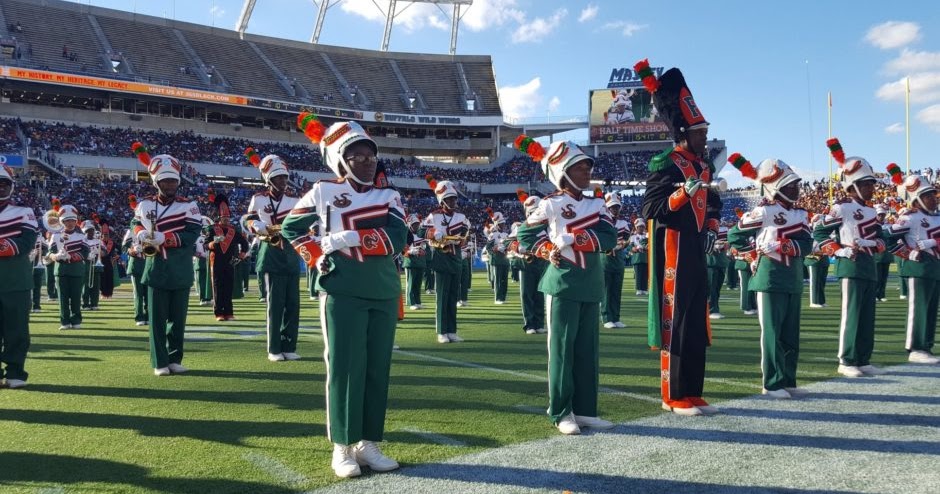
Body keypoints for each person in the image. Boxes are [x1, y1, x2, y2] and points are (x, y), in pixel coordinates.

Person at [281, 117, 407, 478]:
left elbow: (399, 237)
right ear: (340, 160)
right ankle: (342, 445)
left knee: (376, 369)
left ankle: (368, 443)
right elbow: (291, 228)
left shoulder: (389, 195)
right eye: (358, 157)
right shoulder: (322, 191)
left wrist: (351, 238)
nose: (367, 162)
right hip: (341, 290)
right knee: (344, 368)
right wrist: (316, 254)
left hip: (383, 291)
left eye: (371, 156)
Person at [637, 59, 722, 416]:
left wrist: (712, 229)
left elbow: (714, 203)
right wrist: (681, 194)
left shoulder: (704, 166)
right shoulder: (666, 163)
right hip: (672, 249)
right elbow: (650, 208)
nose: (705, 138)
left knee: (697, 321)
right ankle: (672, 394)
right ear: (684, 133)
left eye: (705, 131)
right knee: (676, 321)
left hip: (697, 247)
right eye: (700, 132)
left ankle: (693, 390)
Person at [516, 137, 617, 435]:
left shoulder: (597, 203)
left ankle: (585, 410)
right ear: (563, 172)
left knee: (587, 352)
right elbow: (524, 235)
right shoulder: (550, 204)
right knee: (561, 350)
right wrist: (548, 249)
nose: (587, 171)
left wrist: (575, 238)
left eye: (587, 166)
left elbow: (610, 237)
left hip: (591, 285)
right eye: (579, 166)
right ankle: (560, 411)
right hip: (562, 284)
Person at [727, 157, 813, 399]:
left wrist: (783, 245)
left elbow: (807, 245)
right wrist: (753, 253)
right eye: (789, 185)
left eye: (796, 184)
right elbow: (734, 236)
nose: (795, 189)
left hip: (793, 278)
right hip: (769, 278)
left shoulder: (801, 214)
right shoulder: (763, 211)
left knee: (791, 334)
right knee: (772, 333)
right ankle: (772, 383)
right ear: (776, 188)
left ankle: (789, 380)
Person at [813, 138, 886, 378]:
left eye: (871, 183)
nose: (871, 188)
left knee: (867, 316)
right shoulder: (841, 208)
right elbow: (820, 232)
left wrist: (873, 243)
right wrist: (839, 250)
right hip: (850, 265)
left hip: (868, 265)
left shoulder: (872, 210)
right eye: (866, 183)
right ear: (853, 185)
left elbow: (882, 240)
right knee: (852, 314)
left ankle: (863, 358)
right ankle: (846, 359)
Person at [130, 145, 202, 376]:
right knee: (157, 320)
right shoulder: (144, 204)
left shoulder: (189, 205)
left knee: (178, 320)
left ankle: (174, 358)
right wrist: (140, 232)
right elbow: (135, 223)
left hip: (180, 268)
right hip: (156, 269)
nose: (170, 185)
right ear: (156, 182)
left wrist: (166, 238)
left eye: (173, 181)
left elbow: (192, 233)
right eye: (165, 181)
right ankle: (159, 362)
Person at [244, 154, 302, 362]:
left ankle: (289, 346)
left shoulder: (295, 200)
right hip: (270, 255)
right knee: (275, 306)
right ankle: (274, 349)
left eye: (284, 177)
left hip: (291, 255)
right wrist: (256, 225)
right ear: (269, 179)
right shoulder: (259, 198)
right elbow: (247, 219)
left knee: (293, 305)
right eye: (278, 177)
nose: (283, 181)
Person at [885, 172, 940, 364]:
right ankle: (915, 348)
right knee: (919, 309)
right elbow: (888, 238)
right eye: (927, 195)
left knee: (931, 309)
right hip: (918, 269)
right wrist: (908, 253)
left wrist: (932, 242)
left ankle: (926, 346)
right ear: (916, 200)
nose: (933, 198)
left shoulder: (938, 216)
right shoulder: (910, 218)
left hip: (935, 268)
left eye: (933, 194)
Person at [0, 165, 39, 388]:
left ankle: (15, 372)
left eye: (4, 183)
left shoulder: (23, 212)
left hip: (16, 281)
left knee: (17, 331)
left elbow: (26, 243)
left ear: (12, 187)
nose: (0, 187)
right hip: (14, 279)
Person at [420, 175, 471, 343]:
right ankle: (442, 331)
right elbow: (420, 231)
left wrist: (463, 238)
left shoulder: (461, 217)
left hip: (456, 257)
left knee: (453, 296)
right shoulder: (433, 216)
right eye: (449, 199)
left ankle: (451, 331)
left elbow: (465, 233)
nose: (453, 201)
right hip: (441, 258)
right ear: (442, 201)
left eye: (454, 198)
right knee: (442, 296)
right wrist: (434, 233)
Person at [205, 192, 248, 321]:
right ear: (219, 217)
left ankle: (229, 312)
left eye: (228, 218)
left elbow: (244, 243)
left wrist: (241, 255)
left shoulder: (233, 230)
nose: (226, 220)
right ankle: (219, 313)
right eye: (224, 217)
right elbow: (205, 245)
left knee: (229, 287)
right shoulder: (212, 229)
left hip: (230, 262)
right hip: (216, 261)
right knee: (217, 287)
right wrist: (213, 243)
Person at [511, 192, 547, 335]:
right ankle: (530, 324)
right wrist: (518, 247)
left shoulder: (547, 228)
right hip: (526, 264)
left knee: (540, 294)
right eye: (533, 212)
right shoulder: (521, 227)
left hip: (542, 263)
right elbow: (507, 242)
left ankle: (539, 323)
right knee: (527, 295)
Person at [51, 205, 87, 330]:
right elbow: (49, 253)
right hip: (61, 270)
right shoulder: (55, 236)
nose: (70, 223)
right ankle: (64, 321)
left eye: (72, 220)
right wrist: (56, 256)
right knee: (63, 298)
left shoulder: (81, 236)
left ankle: (76, 320)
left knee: (76, 297)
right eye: (67, 221)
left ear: (76, 221)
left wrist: (71, 257)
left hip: (76, 270)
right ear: (62, 222)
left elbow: (85, 253)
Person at [601, 192, 629, 329]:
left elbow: (626, 239)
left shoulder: (623, 223)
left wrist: (621, 245)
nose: (615, 209)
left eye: (617, 207)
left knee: (617, 290)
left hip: (618, 259)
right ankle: (606, 317)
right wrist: (607, 246)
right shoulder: (602, 222)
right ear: (607, 208)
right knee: (607, 289)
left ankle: (616, 317)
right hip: (605, 259)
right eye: (612, 207)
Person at [122, 213, 149, 327]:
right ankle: (139, 317)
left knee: (149, 293)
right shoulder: (131, 232)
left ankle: (149, 316)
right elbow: (124, 247)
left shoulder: (151, 230)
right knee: (138, 293)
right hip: (136, 264)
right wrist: (131, 250)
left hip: (149, 264)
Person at [402, 214, 428, 310]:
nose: (416, 226)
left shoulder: (421, 234)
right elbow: (403, 250)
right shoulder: (406, 235)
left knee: (418, 284)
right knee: (411, 283)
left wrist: (424, 250)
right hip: (410, 262)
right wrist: (411, 251)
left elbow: (426, 247)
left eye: (417, 224)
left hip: (420, 262)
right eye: (414, 224)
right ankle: (411, 302)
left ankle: (418, 301)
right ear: (409, 225)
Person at [805, 213, 830, 308]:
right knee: (814, 281)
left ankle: (821, 301)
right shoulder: (809, 232)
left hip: (824, 258)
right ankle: (814, 301)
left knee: (822, 281)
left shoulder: (826, 232)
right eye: (818, 221)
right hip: (813, 259)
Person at [707, 220, 730, 320]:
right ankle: (712, 310)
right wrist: (719, 245)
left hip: (721, 262)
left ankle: (714, 308)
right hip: (711, 262)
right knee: (711, 288)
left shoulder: (724, 229)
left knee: (717, 289)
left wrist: (725, 244)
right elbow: (707, 245)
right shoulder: (706, 231)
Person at [484, 211, 509, 305]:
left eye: (504, 224)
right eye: (501, 224)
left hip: (505, 260)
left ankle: (503, 297)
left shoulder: (506, 235)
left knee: (504, 280)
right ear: (497, 225)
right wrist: (495, 249)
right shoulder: (492, 235)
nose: (503, 225)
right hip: (497, 260)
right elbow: (488, 248)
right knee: (497, 280)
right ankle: (498, 298)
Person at [80, 220, 101, 311]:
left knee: (96, 286)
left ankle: (94, 303)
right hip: (85, 264)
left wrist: (98, 252)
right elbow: (79, 252)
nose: (90, 232)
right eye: (88, 230)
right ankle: (85, 304)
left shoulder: (98, 241)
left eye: (91, 230)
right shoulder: (82, 241)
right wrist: (86, 256)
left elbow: (104, 252)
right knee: (85, 285)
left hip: (96, 264)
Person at [873, 205, 892, 302]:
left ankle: (882, 294)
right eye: (879, 215)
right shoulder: (872, 226)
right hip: (877, 255)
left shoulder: (889, 226)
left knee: (884, 276)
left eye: (883, 215)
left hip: (886, 255)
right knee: (877, 276)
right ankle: (875, 294)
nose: (881, 216)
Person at [192, 216, 213, 307]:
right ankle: (203, 299)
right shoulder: (197, 238)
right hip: (201, 260)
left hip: (210, 260)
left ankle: (208, 298)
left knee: (209, 281)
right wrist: (195, 253)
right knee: (202, 281)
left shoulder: (210, 238)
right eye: (205, 229)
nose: (206, 230)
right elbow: (191, 249)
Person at [98, 221, 118, 300]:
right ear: (101, 235)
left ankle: (109, 294)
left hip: (109, 262)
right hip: (100, 262)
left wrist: (116, 256)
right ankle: (103, 293)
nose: (106, 236)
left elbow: (117, 251)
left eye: (107, 235)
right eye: (104, 235)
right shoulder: (99, 242)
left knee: (109, 278)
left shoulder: (112, 243)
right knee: (102, 279)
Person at [629, 219, 649, 296]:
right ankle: (638, 289)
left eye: (642, 226)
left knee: (645, 274)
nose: (641, 228)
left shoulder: (647, 236)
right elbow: (630, 247)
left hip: (645, 258)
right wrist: (633, 248)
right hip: (636, 258)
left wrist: (646, 247)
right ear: (636, 227)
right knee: (638, 275)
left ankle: (644, 289)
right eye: (639, 227)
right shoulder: (632, 237)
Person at [29, 235, 47, 313]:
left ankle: (36, 306)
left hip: (37, 266)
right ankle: (27, 306)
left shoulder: (40, 238)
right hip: (25, 265)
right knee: (26, 288)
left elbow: (46, 250)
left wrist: (41, 252)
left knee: (37, 288)